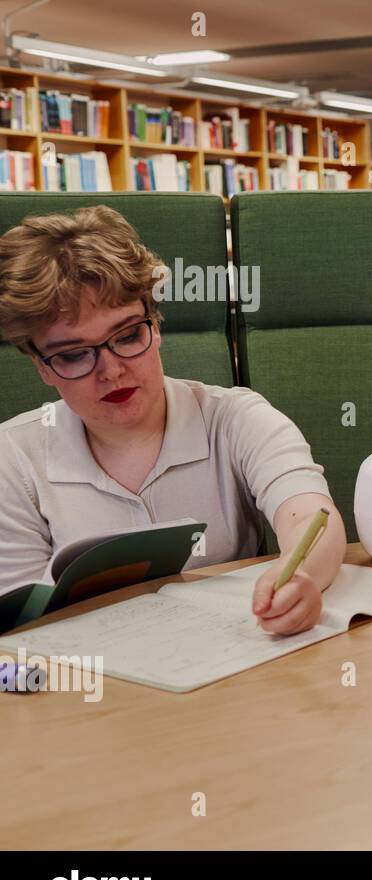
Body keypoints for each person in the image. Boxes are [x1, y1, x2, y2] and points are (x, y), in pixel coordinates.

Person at [0, 205, 345, 634]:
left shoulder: (235, 417)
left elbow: (309, 515)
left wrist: (300, 578)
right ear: (43, 367)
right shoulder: (12, 457)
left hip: (237, 664)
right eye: (73, 354)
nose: (112, 370)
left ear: (156, 326)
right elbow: (21, 625)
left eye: (127, 335)